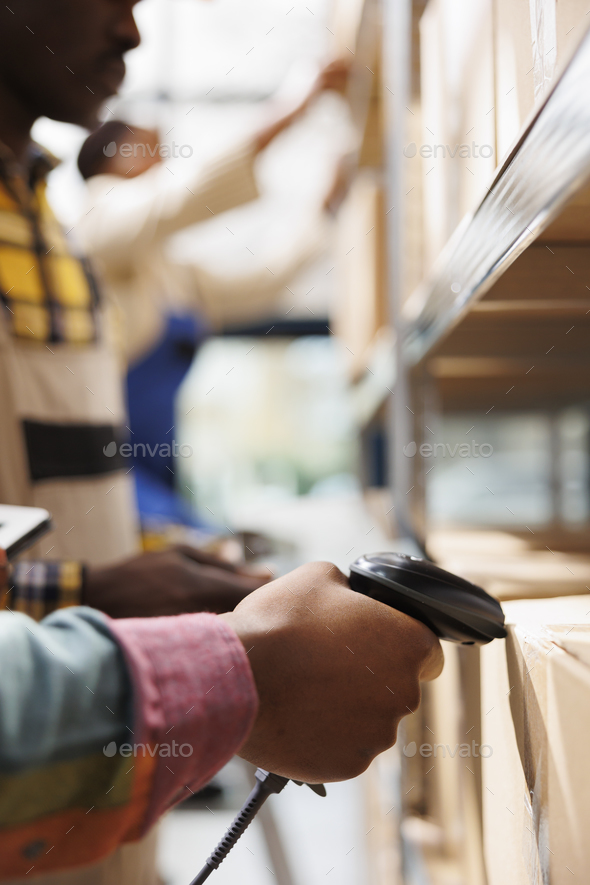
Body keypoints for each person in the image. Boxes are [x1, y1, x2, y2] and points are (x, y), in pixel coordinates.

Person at [0, 1, 443, 882]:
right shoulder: (107, 226)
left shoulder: (55, 226)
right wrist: (293, 101)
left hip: (117, 534)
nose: (133, 32)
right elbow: (170, 204)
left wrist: (326, 211)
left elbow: (251, 279)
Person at [75, 65, 347, 530]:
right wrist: (293, 108)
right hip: (105, 464)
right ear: (115, 157)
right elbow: (181, 197)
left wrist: (324, 207)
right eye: (149, 148)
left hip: (156, 463)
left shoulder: (169, 273)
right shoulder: (97, 218)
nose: (162, 157)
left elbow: (264, 282)